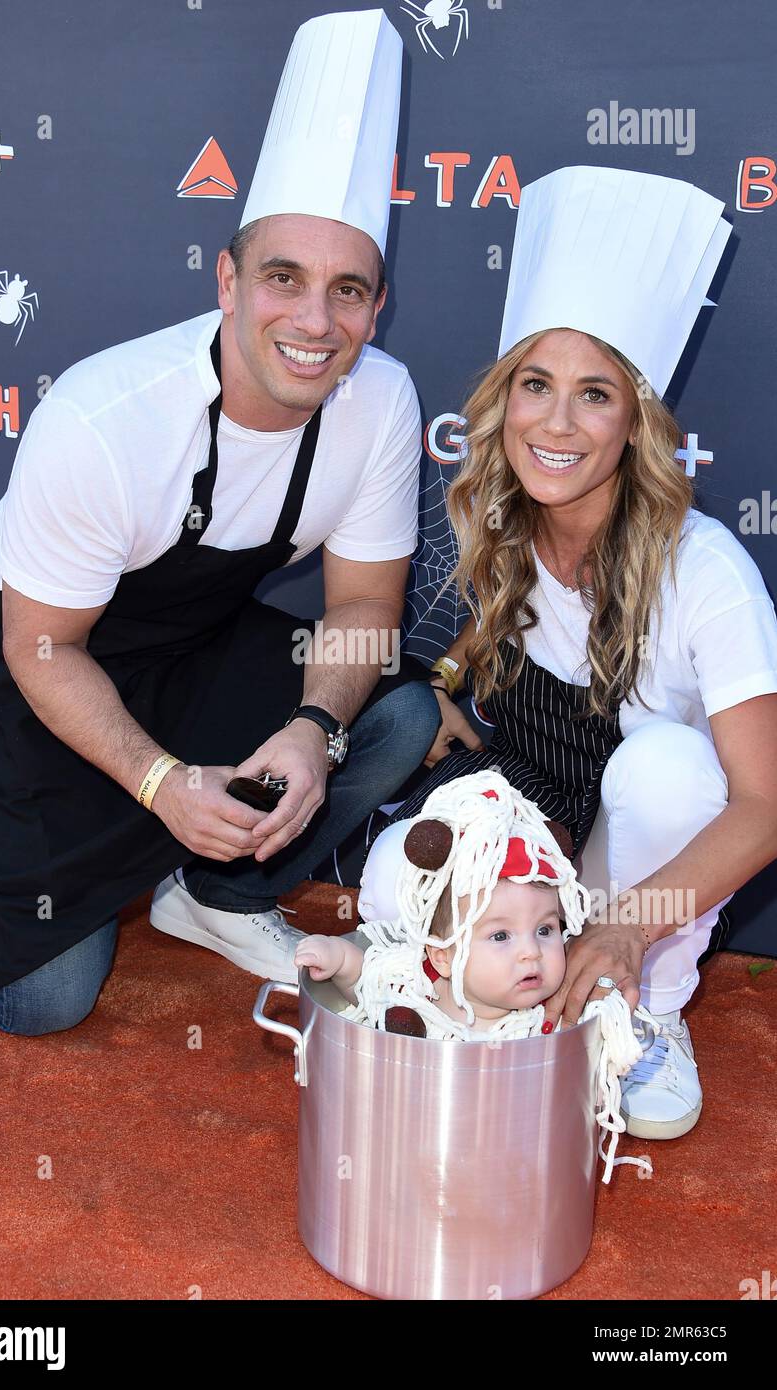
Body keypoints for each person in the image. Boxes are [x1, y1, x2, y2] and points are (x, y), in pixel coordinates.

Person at [0, 10, 442, 1035]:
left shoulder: (381, 397)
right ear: (226, 280)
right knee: (43, 998)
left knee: (397, 715)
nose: (312, 322)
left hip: (191, 643)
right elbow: (41, 640)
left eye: (346, 291)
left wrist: (310, 729)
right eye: (282, 278)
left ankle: (214, 894)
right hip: (46, 650)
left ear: (376, 308)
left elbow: (368, 601)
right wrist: (160, 782)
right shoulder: (105, 417)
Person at [361, 166, 777, 1142]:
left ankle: (645, 1004)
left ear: (634, 420)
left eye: (591, 394)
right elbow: (495, 619)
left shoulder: (703, 571)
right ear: (502, 401)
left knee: (669, 765)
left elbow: (762, 801)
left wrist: (628, 922)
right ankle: (515, 982)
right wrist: (446, 684)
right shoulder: (508, 514)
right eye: (533, 386)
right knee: (387, 877)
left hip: (643, 851)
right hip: (533, 805)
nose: (553, 422)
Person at [298, 771, 658, 1184]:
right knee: (388, 1016)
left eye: (545, 929)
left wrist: (613, 1028)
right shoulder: (425, 985)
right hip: (417, 1146)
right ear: (445, 955)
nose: (531, 951)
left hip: (518, 1161)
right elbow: (368, 980)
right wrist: (336, 957)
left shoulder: (560, 1016)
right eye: (500, 936)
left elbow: (608, 1029)